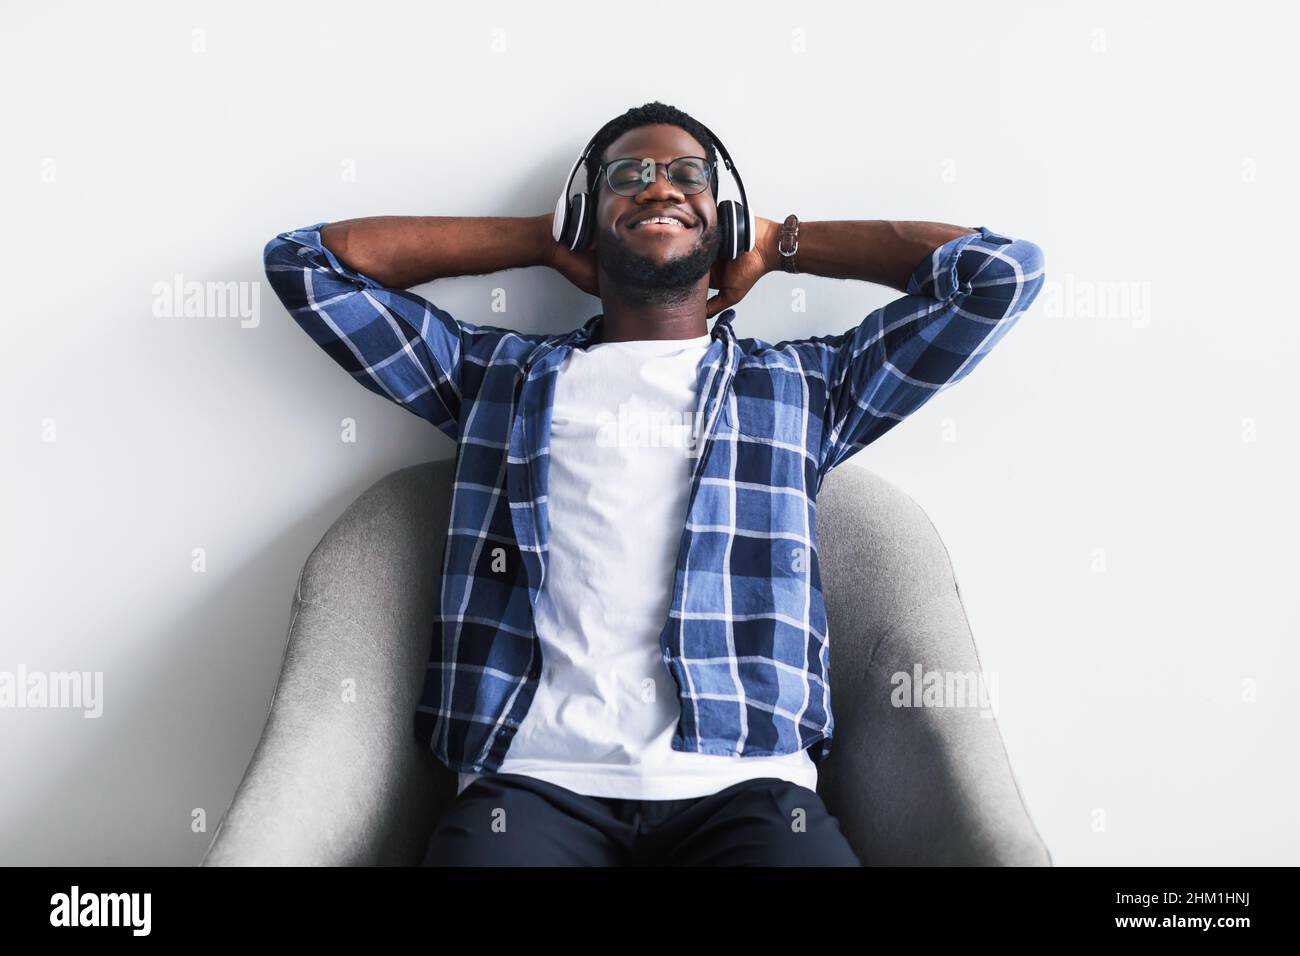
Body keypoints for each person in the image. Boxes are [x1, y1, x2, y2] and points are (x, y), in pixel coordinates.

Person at [262, 101, 1045, 866]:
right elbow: (306, 263)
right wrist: (539, 240)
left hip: (746, 785)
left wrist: (782, 242)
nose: (659, 186)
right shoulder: (497, 379)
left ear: (723, 216)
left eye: (689, 175)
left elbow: (1000, 275)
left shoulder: (803, 388)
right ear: (587, 216)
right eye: (627, 175)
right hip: (531, 785)